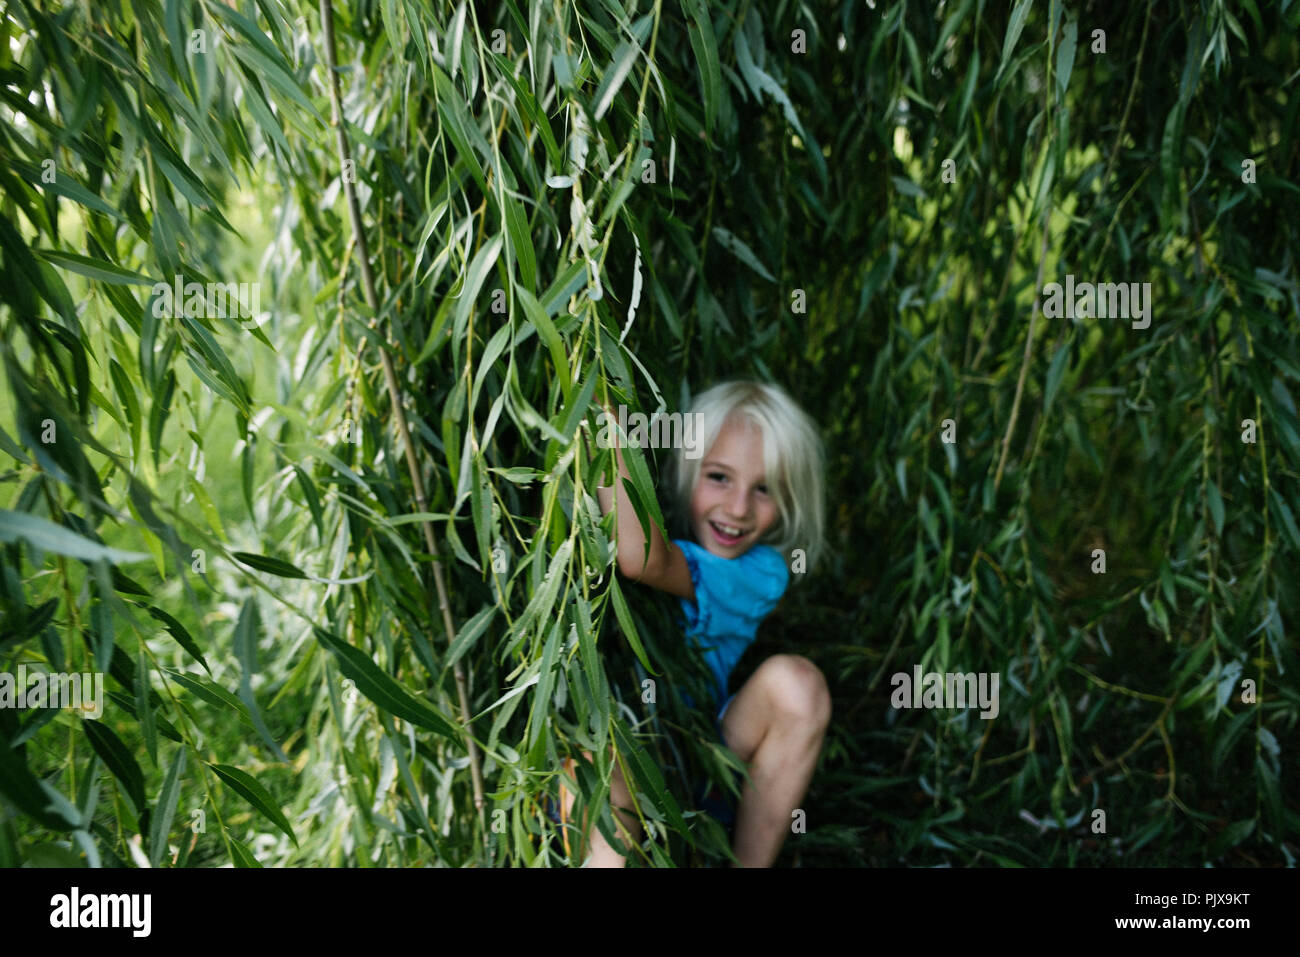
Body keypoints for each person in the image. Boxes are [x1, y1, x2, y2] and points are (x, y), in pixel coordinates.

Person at [559, 380, 830, 867]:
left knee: (798, 685)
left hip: (698, 762)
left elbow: (641, 558)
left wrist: (603, 417)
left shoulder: (762, 574)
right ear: (686, 470)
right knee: (605, 767)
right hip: (611, 761)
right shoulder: (663, 520)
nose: (739, 508)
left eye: (764, 489)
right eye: (720, 477)